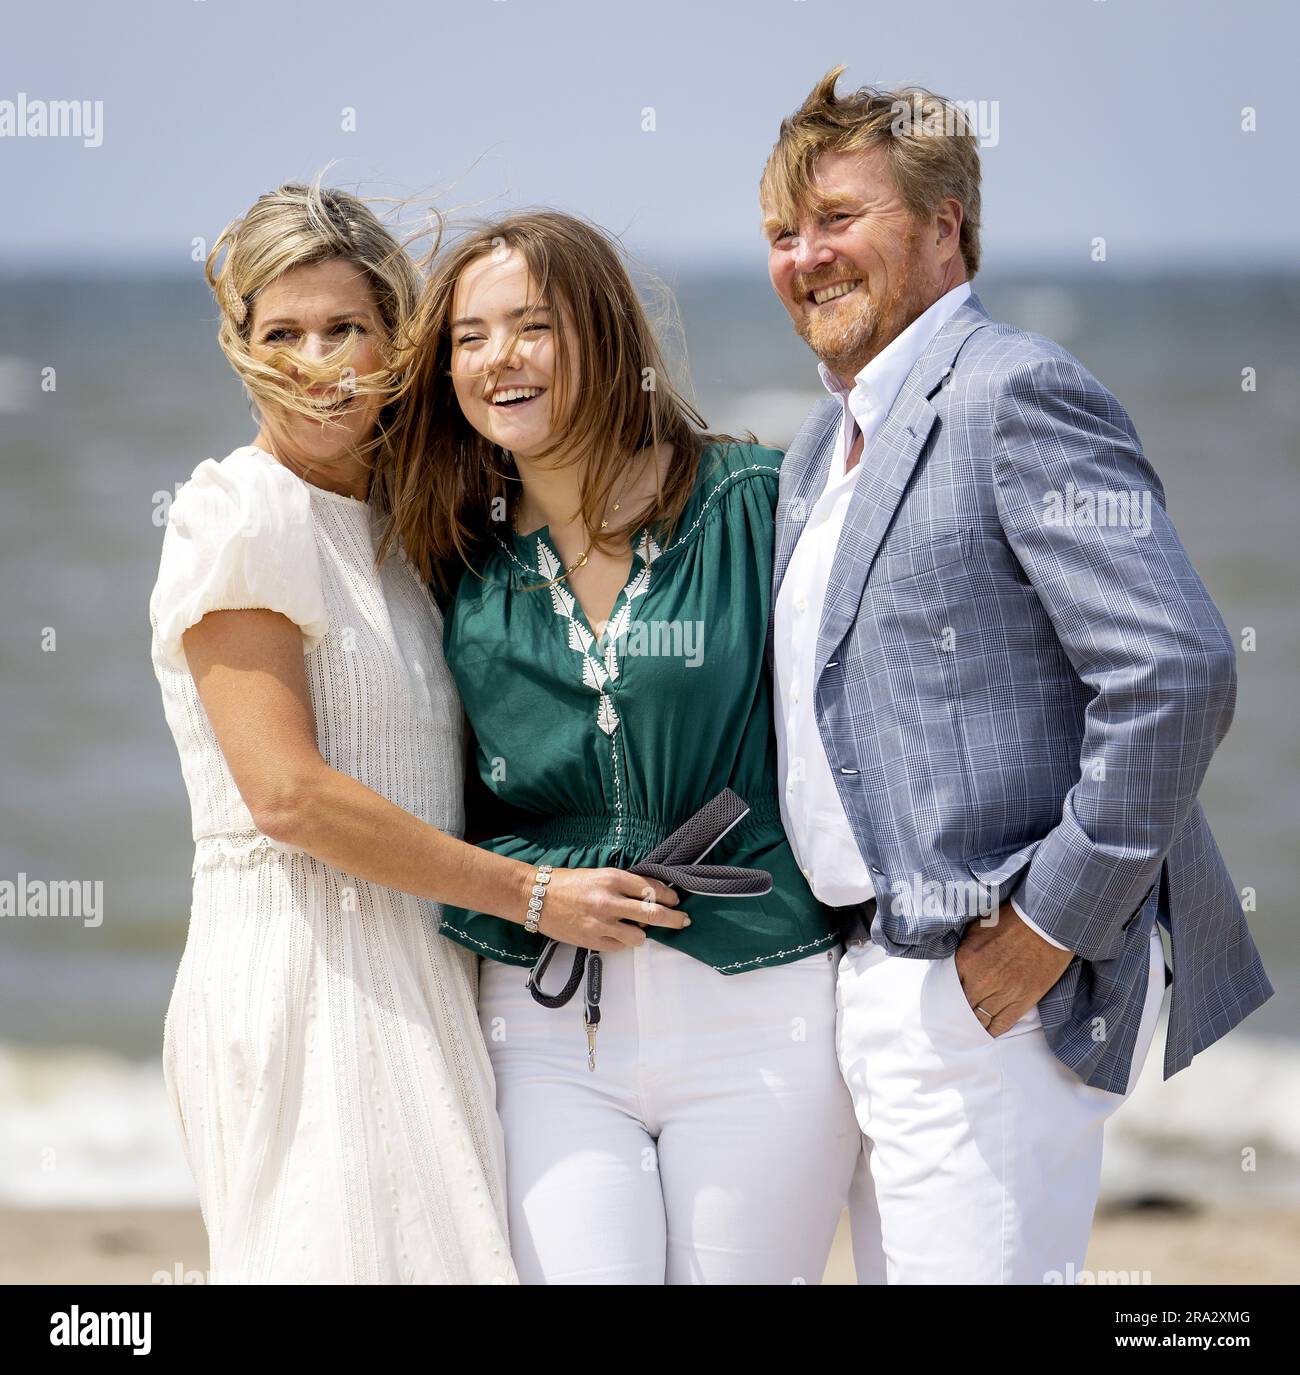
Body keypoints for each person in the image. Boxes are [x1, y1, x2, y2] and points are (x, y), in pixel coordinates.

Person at [760, 68, 1273, 1284]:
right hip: (860, 977)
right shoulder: (814, 448)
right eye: (783, 233)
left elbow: (1175, 668)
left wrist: (1050, 923)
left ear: (946, 227)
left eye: (839, 219)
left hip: (985, 981)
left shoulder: (1012, 390)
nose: (804, 257)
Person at [149, 184, 675, 1283]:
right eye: (280, 333)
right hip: (305, 972)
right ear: (241, 348)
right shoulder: (238, 515)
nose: (315, 359)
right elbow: (286, 796)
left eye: (345, 326)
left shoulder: (407, 517)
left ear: (397, 335)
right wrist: (532, 896)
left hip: (429, 968)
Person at [381, 210, 860, 1284]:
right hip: (543, 1023)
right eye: (467, 335)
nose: (496, 357)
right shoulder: (450, 556)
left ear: (601, 334)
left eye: (531, 325)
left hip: (762, 997)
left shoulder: (753, 502)